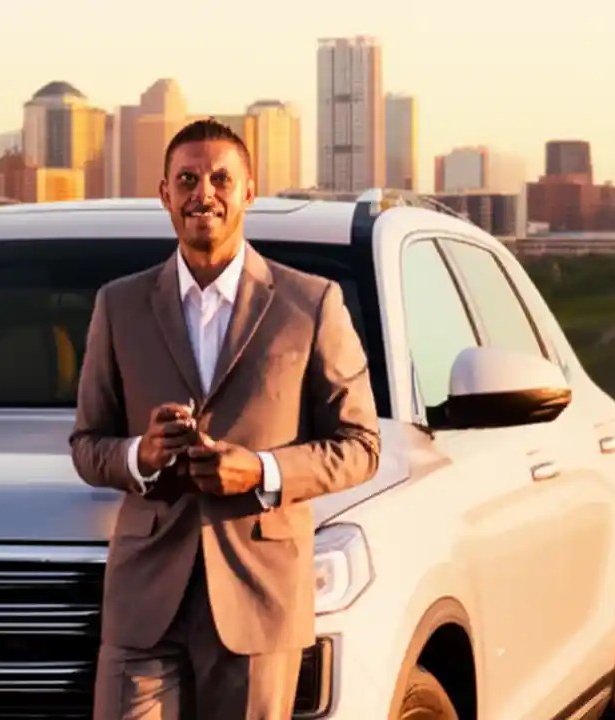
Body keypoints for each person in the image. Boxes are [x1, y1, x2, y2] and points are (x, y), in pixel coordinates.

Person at [69, 118, 381, 719]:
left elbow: (361, 444)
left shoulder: (310, 304)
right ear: (165, 194)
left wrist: (261, 471)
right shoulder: (120, 304)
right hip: (145, 600)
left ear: (248, 191)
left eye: (219, 179)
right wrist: (142, 455)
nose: (202, 193)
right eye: (187, 179)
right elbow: (87, 443)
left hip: (259, 595)